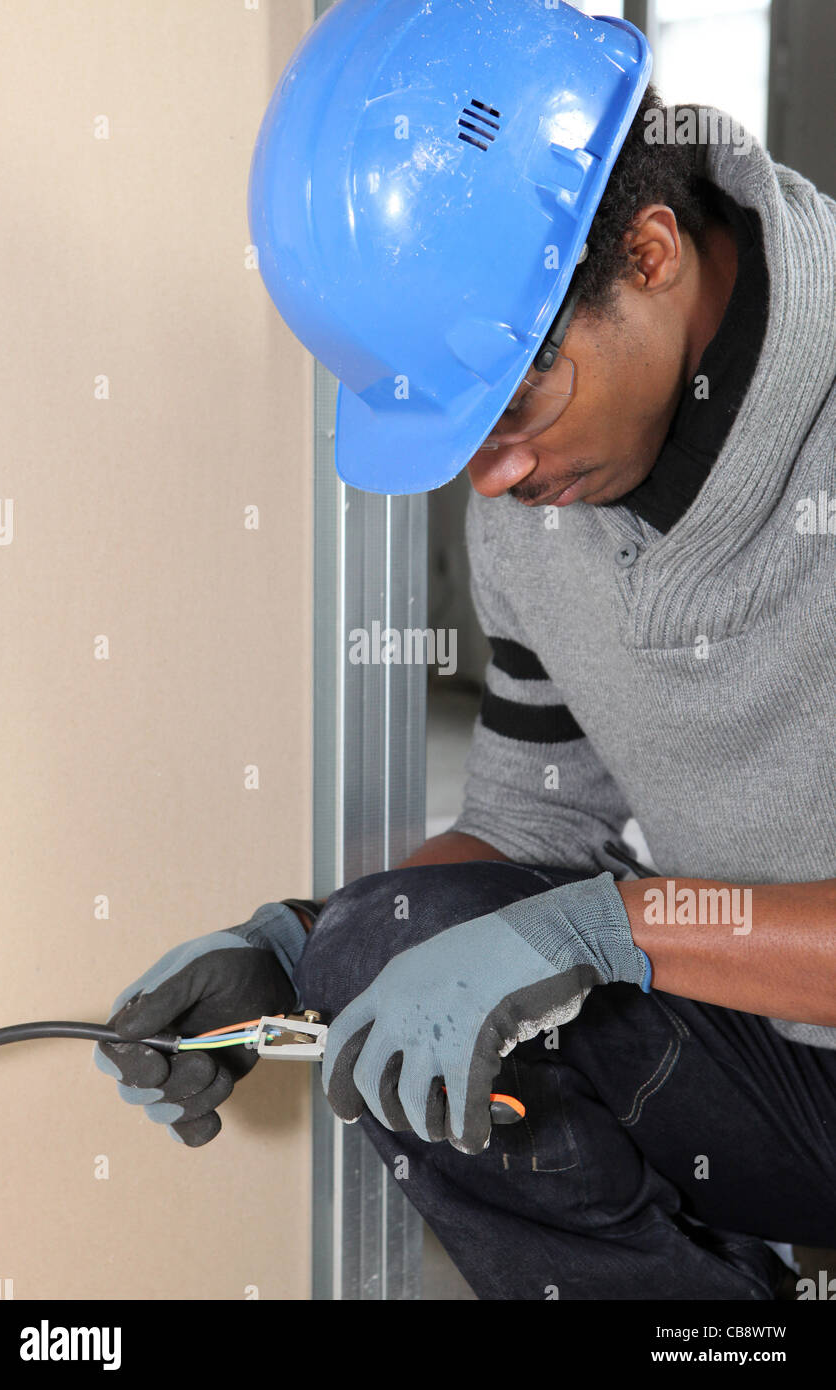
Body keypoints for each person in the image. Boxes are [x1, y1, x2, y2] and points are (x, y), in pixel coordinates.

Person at [96, 1, 836, 1299]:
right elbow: (528, 824)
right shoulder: (542, 497)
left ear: (651, 252)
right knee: (380, 951)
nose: (493, 481)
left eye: (510, 412)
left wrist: (615, 930)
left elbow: (591, 912)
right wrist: (293, 945)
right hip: (775, 1069)